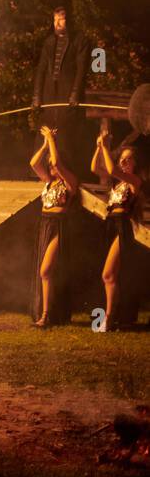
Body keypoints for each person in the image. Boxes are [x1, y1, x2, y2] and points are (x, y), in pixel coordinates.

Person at [91, 131, 143, 330]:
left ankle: (109, 318)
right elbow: (95, 168)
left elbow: (110, 168)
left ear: (135, 164)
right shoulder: (117, 183)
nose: (124, 163)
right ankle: (112, 317)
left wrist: (105, 145)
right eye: (122, 159)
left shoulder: (134, 182)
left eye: (128, 160)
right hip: (111, 225)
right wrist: (99, 146)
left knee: (108, 274)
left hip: (122, 226)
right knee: (110, 275)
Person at [31, 126, 80, 328]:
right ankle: (47, 314)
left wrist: (52, 140)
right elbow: (33, 163)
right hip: (45, 224)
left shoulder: (70, 182)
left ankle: (46, 314)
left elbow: (57, 162)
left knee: (46, 270)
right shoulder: (48, 181)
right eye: (49, 165)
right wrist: (44, 144)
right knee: (46, 272)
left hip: (59, 226)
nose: (50, 166)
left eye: (53, 164)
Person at [31, 4, 88, 172]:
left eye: (61, 19)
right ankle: (41, 168)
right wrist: (36, 96)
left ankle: (65, 170)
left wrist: (75, 93)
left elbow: (81, 69)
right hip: (50, 93)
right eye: (55, 19)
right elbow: (41, 69)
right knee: (45, 129)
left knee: (64, 132)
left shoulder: (80, 41)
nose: (57, 23)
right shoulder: (49, 42)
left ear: (68, 20)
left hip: (67, 92)